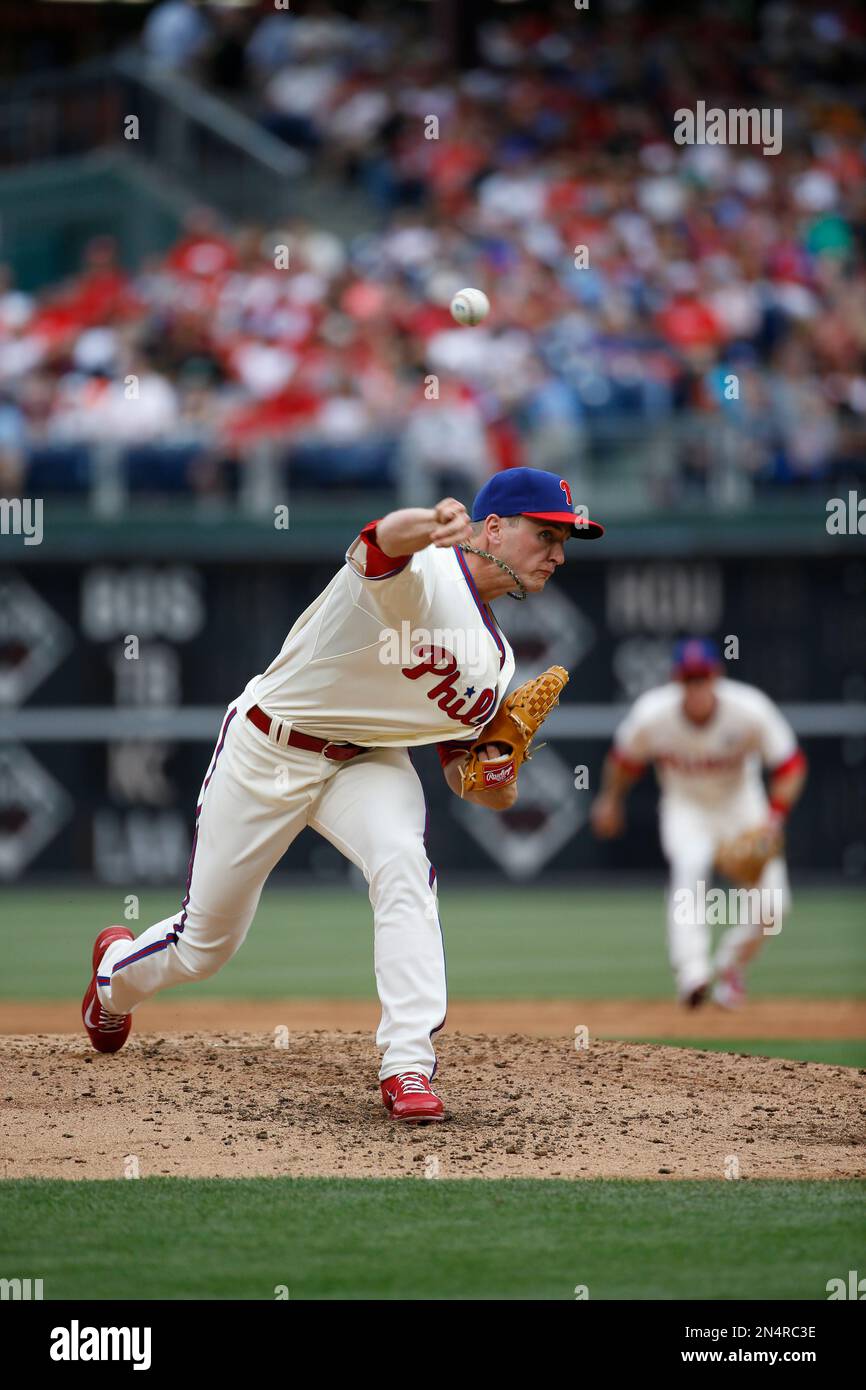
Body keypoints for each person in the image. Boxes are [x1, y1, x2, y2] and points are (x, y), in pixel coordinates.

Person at [82, 467, 603, 1121]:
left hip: (366, 765)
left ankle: (407, 1067)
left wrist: (494, 773)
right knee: (204, 948)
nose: (558, 553)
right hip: (270, 747)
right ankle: (113, 978)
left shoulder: (496, 664)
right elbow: (379, 539)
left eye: (565, 540)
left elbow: (465, 776)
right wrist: (429, 521)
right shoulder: (425, 568)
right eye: (546, 533)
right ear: (491, 528)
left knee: (404, 866)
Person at [590, 639, 807, 1009]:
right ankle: (692, 976)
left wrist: (773, 819)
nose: (696, 687)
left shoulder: (748, 708)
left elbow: (790, 765)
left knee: (774, 907)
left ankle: (730, 965)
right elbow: (624, 761)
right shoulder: (653, 714)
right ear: (677, 681)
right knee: (690, 872)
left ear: (716, 676)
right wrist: (610, 799)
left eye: (702, 677)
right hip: (685, 807)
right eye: (689, 679)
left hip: (742, 806)